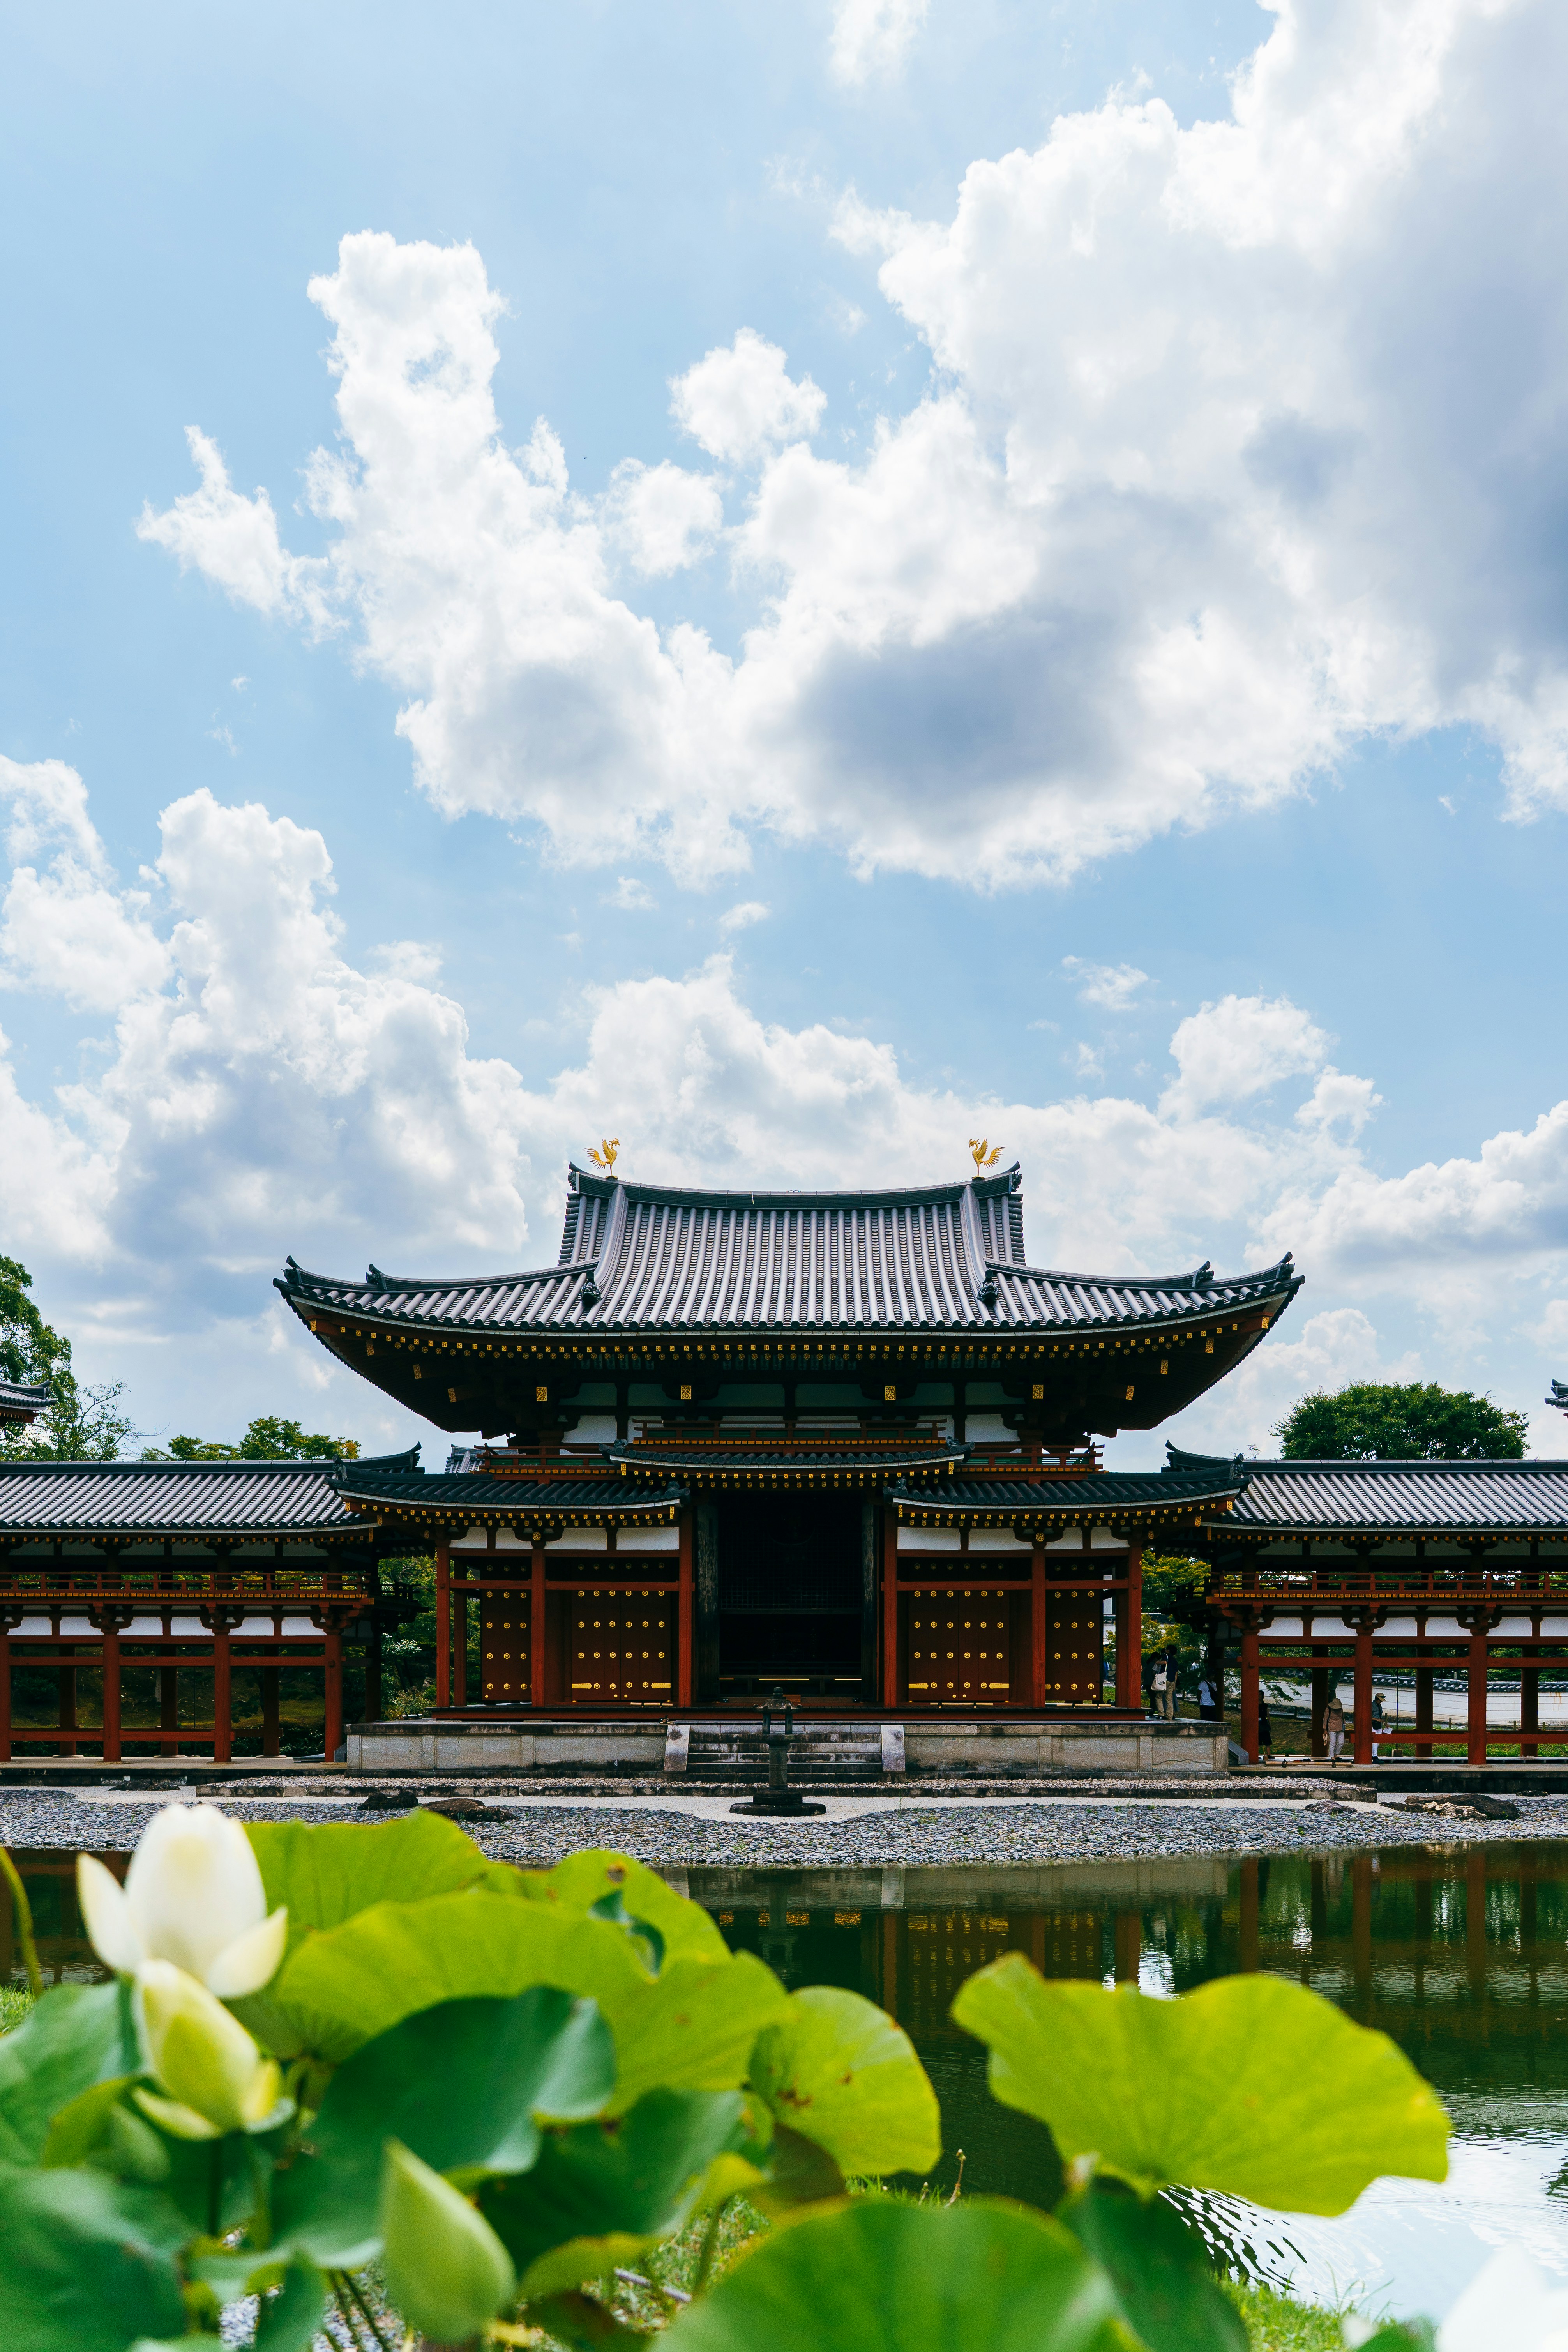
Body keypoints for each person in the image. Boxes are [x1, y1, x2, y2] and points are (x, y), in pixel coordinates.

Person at [1323, 1690, 1346, 1762]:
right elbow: (1325, 1720)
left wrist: (1344, 1724)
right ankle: (1332, 1756)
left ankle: (1336, 1754)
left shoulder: (1340, 1708)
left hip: (1340, 1727)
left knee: (1341, 1742)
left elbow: (1342, 1717)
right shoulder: (1328, 1710)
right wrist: (1325, 1729)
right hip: (1332, 1728)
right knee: (1333, 1743)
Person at [1257, 1691, 1274, 1759]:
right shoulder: (1254, 1704)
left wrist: (1270, 1725)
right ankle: (1256, 1754)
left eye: (1260, 1695)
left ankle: (1269, 1754)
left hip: (1264, 1723)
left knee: (1267, 1739)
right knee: (1257, 1739)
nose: (1259, 1696)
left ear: (1263, 1696)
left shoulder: (1265, 1705)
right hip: (1257, 1723)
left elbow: (1268, 1715)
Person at [1370, 1692, 1385, 1760]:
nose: (1381, 1702)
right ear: (1377, 1699)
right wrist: (1376, 1719)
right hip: (1373, 1724)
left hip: (1379, 1724)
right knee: (1375, 1740)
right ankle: (1374, 1756)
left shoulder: (1380, 1706)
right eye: (1380, 1700)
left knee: (1378, 1740)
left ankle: (1374, 1754)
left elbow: (1380, 1716)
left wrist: (1384, 1723)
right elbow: (1368, 1716)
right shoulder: (1372, 1705)